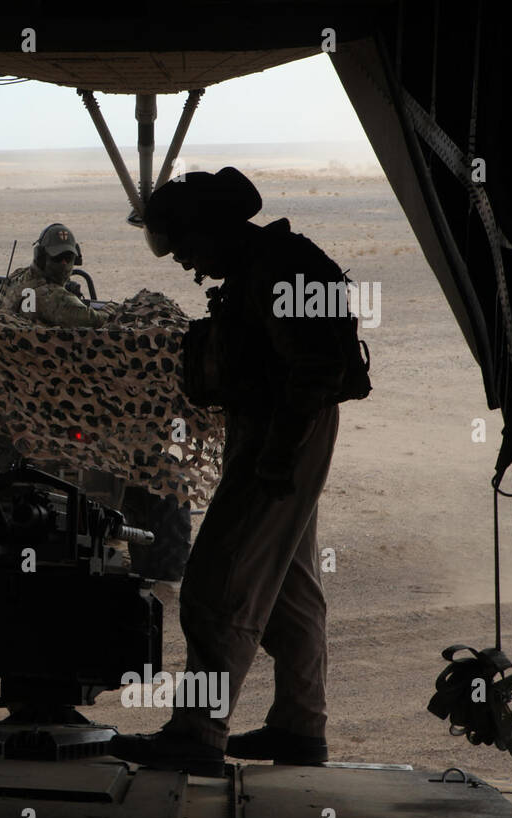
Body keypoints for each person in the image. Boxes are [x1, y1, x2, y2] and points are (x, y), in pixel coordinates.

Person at [108, 167, 367, 776]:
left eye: (190, 247)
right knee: (291, 592)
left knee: (215, 580)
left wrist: (278, 455)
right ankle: (300, 729)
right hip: (272, 430)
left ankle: (199, 733)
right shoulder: (262, 263)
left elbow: (315, 370)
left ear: (214, 227)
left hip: (285, 434)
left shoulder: (282, 265)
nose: (189, 264)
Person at [0, 223, 113, 327]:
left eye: (68, 258)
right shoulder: (52, 296)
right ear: (41, 258)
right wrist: (110, 311)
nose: (63, 264)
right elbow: (94, 320)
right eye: (56, 258)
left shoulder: (18, 276)